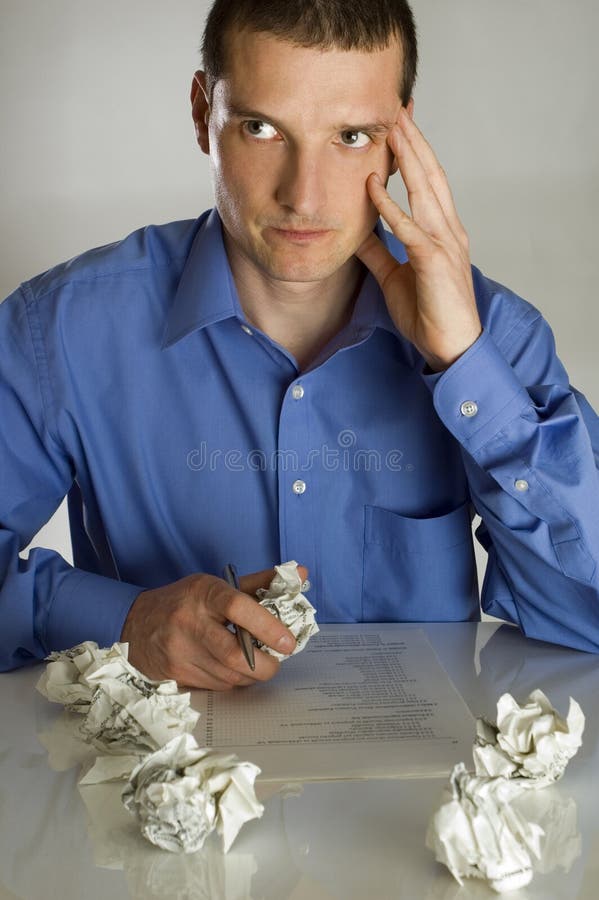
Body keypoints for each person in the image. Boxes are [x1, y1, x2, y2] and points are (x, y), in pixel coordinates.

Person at [1, 0, 599, 684]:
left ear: (400, 138)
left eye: (351, 136)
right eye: (261, 128)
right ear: (202, 113)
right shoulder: (59, 330)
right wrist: (126, 621)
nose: (304, 197)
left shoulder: (494, 338)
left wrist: (465, 365)